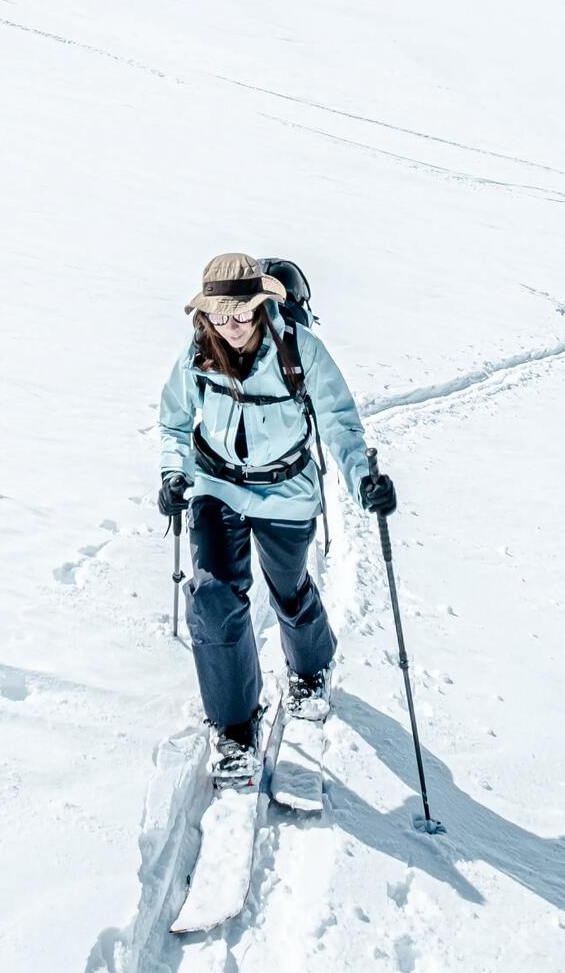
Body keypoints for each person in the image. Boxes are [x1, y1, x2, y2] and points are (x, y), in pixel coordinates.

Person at [158, 253, 398, 784]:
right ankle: (235, 729)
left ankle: (311, 667)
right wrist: (174, 476)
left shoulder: (299, 349)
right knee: (214, 597)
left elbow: (339, 422)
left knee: (288, 589)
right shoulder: (199, 351)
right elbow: (174, 421)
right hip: (218, 487)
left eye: (240, 313)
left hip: (285, 490)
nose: (231, 326)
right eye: (219, 316)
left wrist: (364, 483)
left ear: (261, 306)